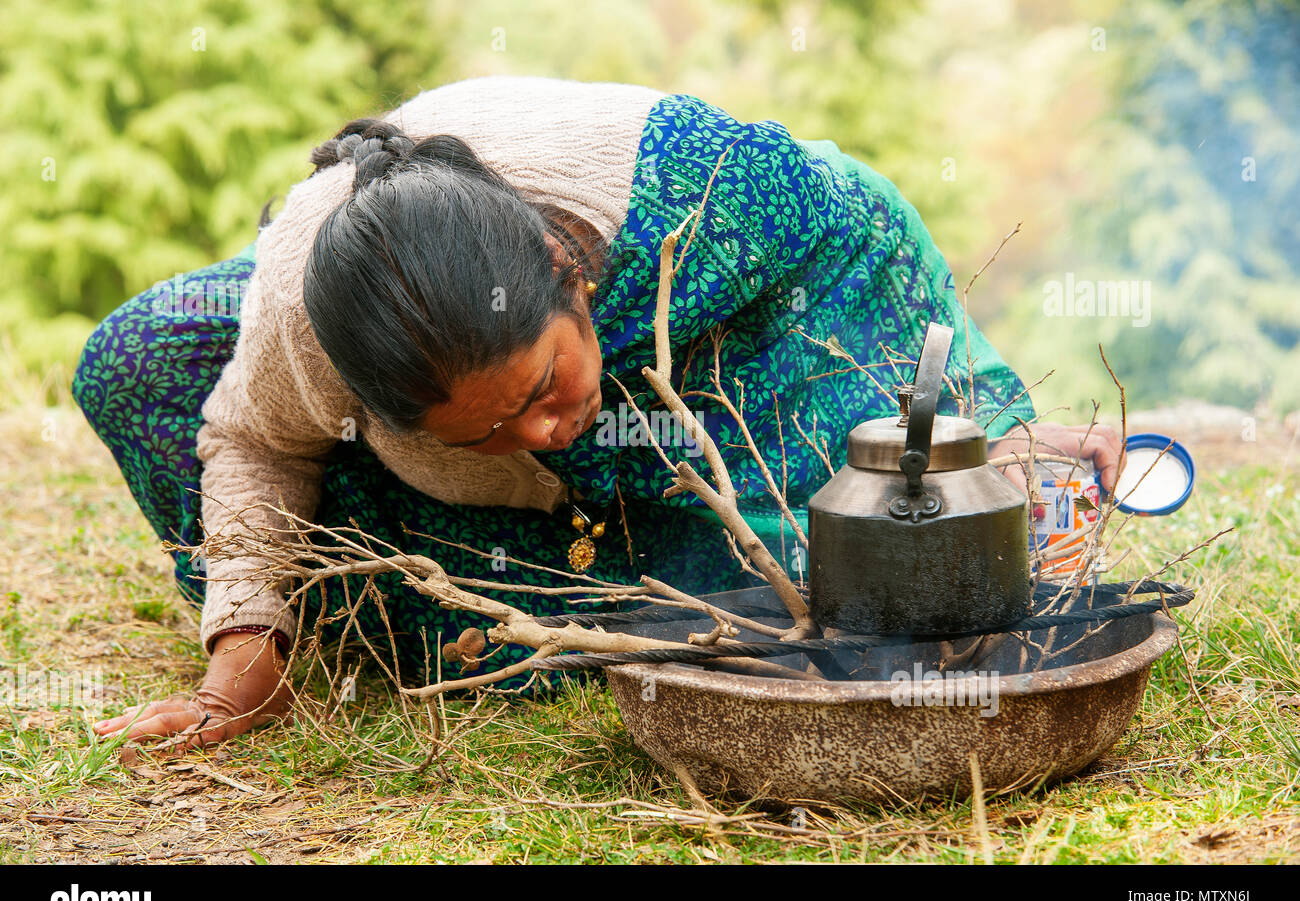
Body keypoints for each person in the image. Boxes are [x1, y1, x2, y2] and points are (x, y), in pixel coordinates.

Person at [73, 76, 1121, 753]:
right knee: (137, 359)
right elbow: (256, 437)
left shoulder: (723, 194)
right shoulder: (303, 321)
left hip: (696, 372)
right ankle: (467, 603)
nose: (535, 434)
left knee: (851, 555)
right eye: (476, 431)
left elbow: (876, 269)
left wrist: (984, 434)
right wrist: (245, 651)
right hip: (420, 424)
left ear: (568, 273)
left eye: (540, 393)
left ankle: (639, 570)